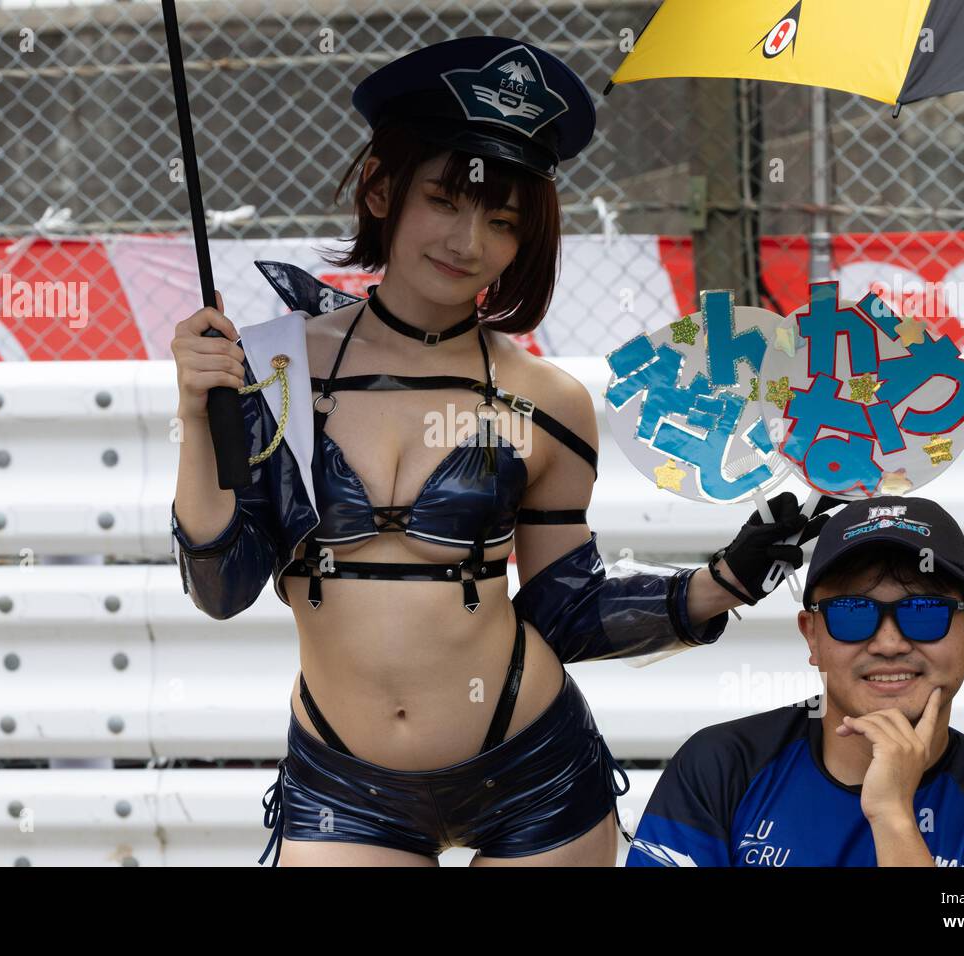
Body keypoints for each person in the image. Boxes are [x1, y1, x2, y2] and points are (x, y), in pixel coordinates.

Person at [170, 34, 826, 867]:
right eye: (445, 198)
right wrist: (200, 412)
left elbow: (566, 610)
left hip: (535, 775)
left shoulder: (549, 403)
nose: (468, 239)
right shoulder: (274, 368)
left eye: (503, 219)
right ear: (380, 188)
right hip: (344, 785)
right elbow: (222, 589)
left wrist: (725, 581)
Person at [626, 496, 964, 867]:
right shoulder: (722, 765)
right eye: (853, 613)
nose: (889, 643)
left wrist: (893, 817)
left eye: (924, 612)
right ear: (811, 636)